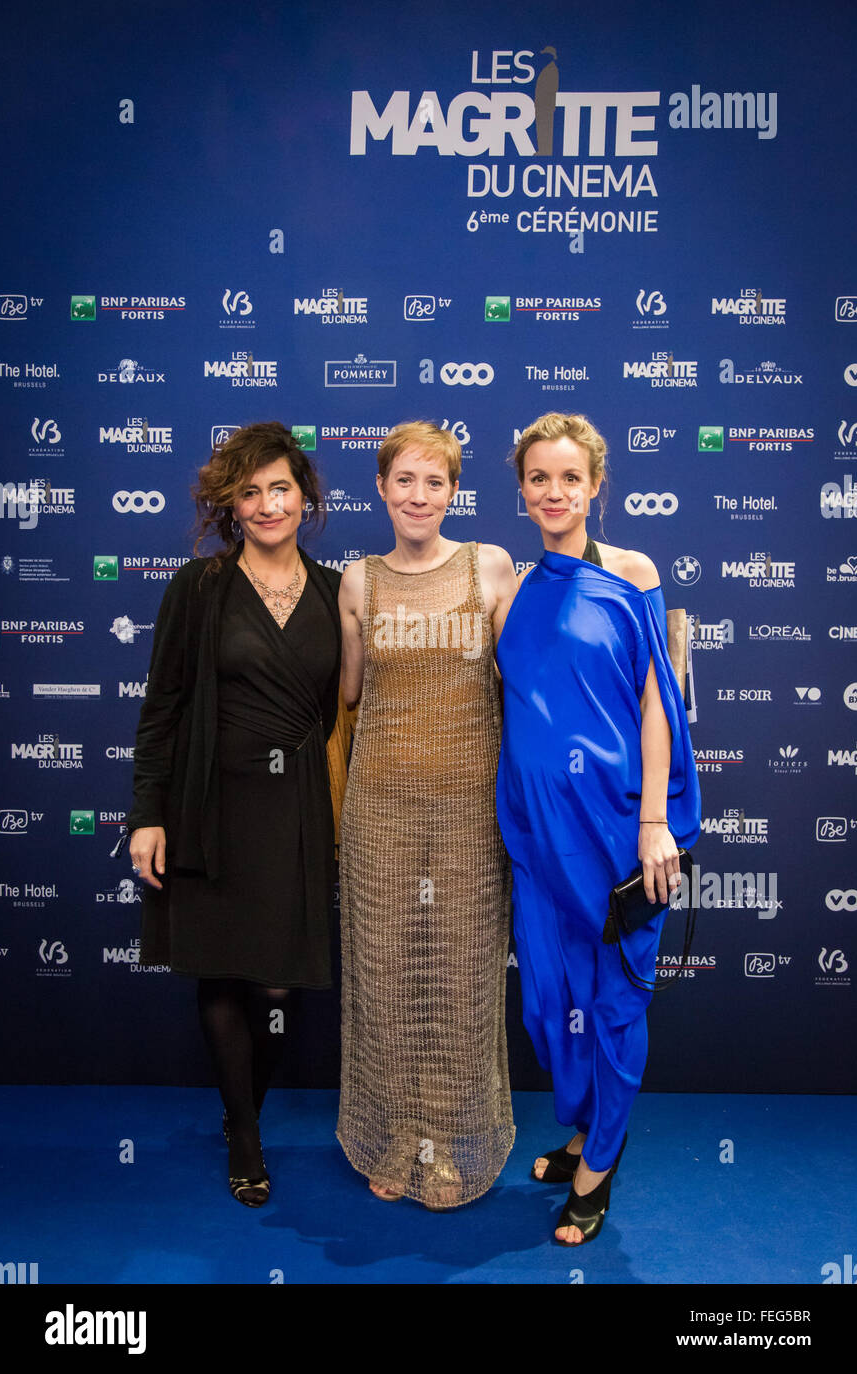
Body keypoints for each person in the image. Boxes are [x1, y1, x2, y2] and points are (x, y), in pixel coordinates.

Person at [495, 412, 700, 1244]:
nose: (554, 491)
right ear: (522, 490)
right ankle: (582, 1124)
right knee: (551, 1002)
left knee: (612, 1002)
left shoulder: (633, 570)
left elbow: (658, 699)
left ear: (595, 485)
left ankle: (599, 1166)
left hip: (618, 828)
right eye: (539, 478)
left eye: (569, 478)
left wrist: (655, 820)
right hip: (538, 834)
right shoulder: (509, 585)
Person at [127, 423, 342, 1207]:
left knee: (280, 987)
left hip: (296, 809)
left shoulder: (335, 591)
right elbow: (164, 706)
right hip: (213, 801)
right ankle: (244, 1136)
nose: (266, 504)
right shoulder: (198, 589)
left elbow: (336, 713)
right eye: (249, 492)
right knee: (222, 972)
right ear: (231, 505)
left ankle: (244, 1109)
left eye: (280, 488)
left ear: (305, 495)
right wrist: (147, 813)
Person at [336, 421, 519, 1209]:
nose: (418, 496)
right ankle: (390, 1135)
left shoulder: (490, 568)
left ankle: (443, 1145)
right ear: (381, 489)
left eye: (434, 482)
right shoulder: (358, 581)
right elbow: (349, 698)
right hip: (379, 811)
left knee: (458, 979)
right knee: (383, 977)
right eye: (403, 481)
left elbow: (525, 689)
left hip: (470, 813)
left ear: (454, 491)